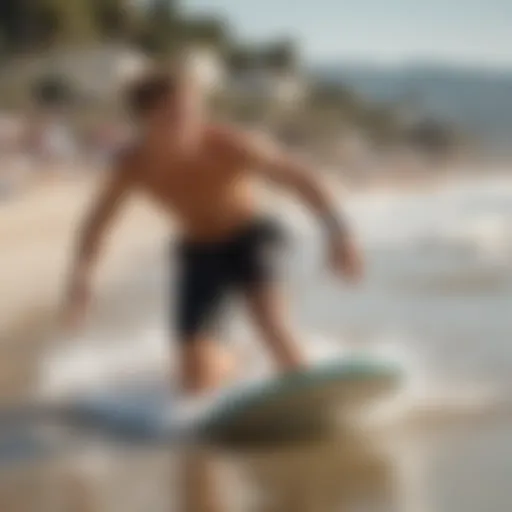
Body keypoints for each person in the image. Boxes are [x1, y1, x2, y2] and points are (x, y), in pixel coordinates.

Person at [63, 68, 364, 394]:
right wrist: (83, 277)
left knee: (272, 325)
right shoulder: (132, 165)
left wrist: (339, 232)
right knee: (195, 381)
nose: (189, 120)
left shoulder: (230, 144)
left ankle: (309, 395)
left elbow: (300, 177)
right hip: (199, 252)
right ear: (146, 119)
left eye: (193, 110)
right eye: (175, 114)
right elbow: (96, 223)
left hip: (251, 238)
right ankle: (233, 361)